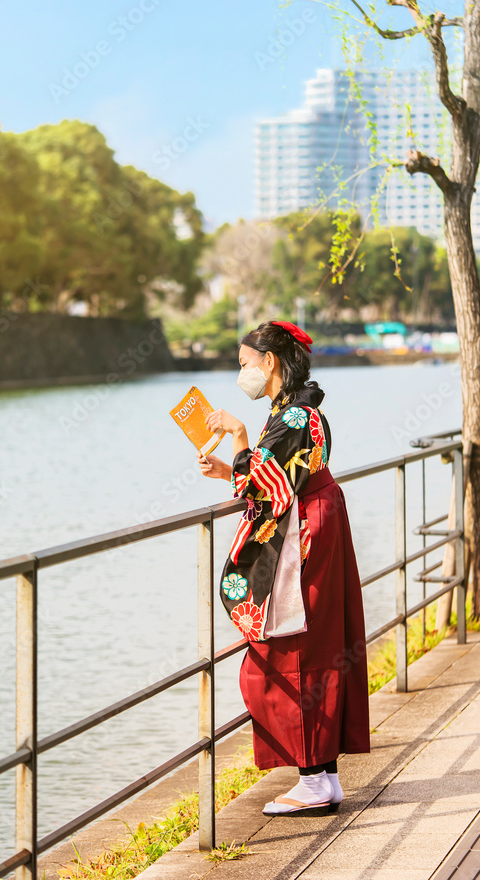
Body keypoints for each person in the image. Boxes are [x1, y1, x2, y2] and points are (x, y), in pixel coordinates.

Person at [197, 320, 370, 817]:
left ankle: (313, 778)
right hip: (315, 522)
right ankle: (324, 776)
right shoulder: (296, 412)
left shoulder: (292, 417)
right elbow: (271, 478)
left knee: (290, 649)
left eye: (244, 364)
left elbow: (263, 488)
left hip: (305, 536)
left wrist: (237, 433)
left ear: (269, 362)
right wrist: (232, 467)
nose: (241, 374)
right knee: (317, 641)